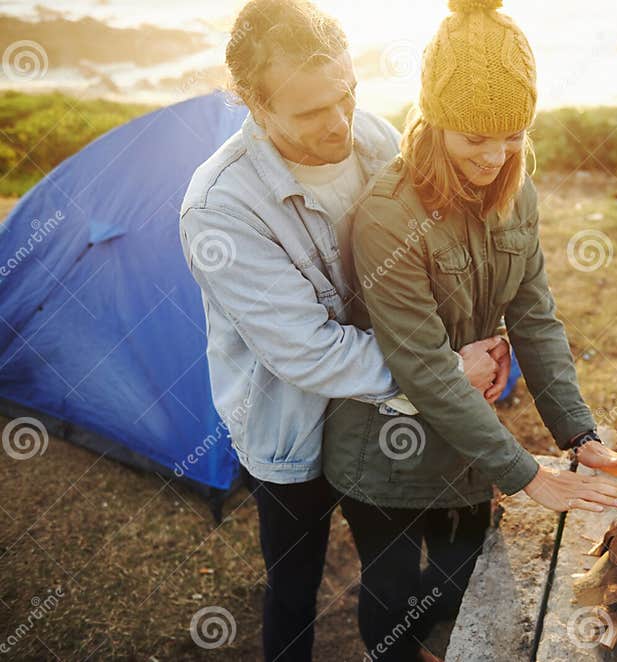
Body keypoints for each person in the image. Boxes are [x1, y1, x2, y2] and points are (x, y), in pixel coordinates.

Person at [322, 1, 617, 660]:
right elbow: (423, 366)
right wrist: (524, 473)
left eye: (511, 134)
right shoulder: (388, 216)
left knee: (460, 580)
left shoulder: (518, 190)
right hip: (382, 454)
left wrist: (580, 433)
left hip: (465, 450)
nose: (495, 154)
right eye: (474, 136)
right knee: (392, 599)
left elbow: (535, 315)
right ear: (434, 120)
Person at [178, 2, 511, 660]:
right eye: (309, 112)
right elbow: (308, 353)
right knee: (293, 588)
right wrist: (444, 374)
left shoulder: (379, 140)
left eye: (346, 95)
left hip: (380, 421)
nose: (338, 124)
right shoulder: (219, 207)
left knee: (396, 572)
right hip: (290, 426)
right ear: (252, 102)